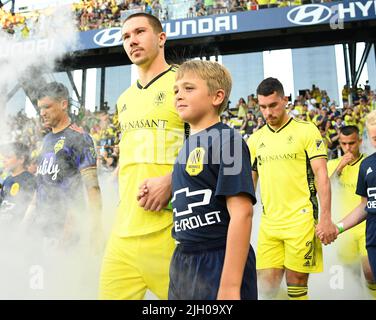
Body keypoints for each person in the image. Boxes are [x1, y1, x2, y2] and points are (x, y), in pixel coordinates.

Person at [99, 13, 186, 300]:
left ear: (161, 38)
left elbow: (213, 148)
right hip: (123, 234)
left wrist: (172, 180)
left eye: (139, 32)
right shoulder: (124, 99)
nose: (132, 40)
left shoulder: (185, 84)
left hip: (172, 232)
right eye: (125, 36)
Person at [168, 60, 257, 300]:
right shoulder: (186, 146)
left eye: (188, 88)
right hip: (183, 260)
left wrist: (229, 287)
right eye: (176, 90)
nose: (178, 95)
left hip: (217, 258)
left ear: (217, 97)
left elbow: (242, 214)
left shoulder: (228, 141)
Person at [247, 77, 337, 300]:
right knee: (266, 288)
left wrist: (326, 217)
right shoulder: (255, 140)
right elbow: (248, 187)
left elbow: (322, 177)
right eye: (263, 107)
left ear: (285, 100)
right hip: (269, 225)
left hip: (301, 221)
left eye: (273, 105)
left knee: (296, 287)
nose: (268, 112)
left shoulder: (306, 131)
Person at [23, 82, 103, 250]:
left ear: (63, 104)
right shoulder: (46, 140)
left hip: (65, 232)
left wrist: (93, 228)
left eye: (47, 107)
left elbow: (92, 189)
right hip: (42, 228)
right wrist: (25, 223)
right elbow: (41, 185)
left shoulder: (80, 138)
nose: (42, 113)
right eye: (39, 109)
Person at [320, 110, 376, 290]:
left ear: (360, 141)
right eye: (344, 144)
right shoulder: (333, 165)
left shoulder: (366, 162)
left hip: (365, 228)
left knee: (370, 273)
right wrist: (340, 167)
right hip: (348, 227)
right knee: (352, 277)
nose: (348, 148)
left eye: (352, 143)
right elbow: (325, 190)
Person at [0, 142, 35, 226]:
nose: (4, 160)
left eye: (8, 157)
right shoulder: (7, 179)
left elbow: (31, 208)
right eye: (3, 157)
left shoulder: (30, 180)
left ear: (21, 159)